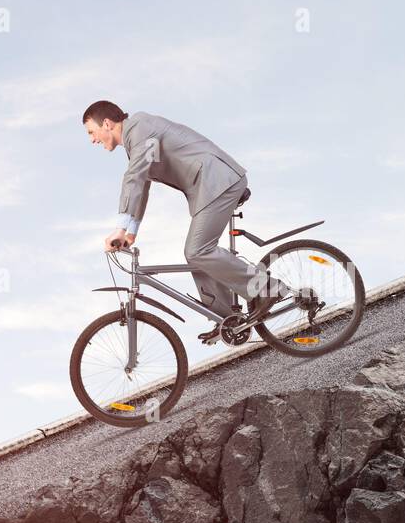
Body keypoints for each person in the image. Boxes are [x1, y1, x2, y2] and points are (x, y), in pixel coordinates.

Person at [83, 100, 289, 342]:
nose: (92, 140)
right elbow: (142, 186)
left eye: (91, 132)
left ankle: (267, 287)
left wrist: (119, 228)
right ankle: (227, 320)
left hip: (218, 181)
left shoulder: (140, 126)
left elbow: (134, 178)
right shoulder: (134, 141)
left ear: (106, 124)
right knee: (196, 254)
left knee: (197, 250)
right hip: (207, 189)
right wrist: (131, 232)